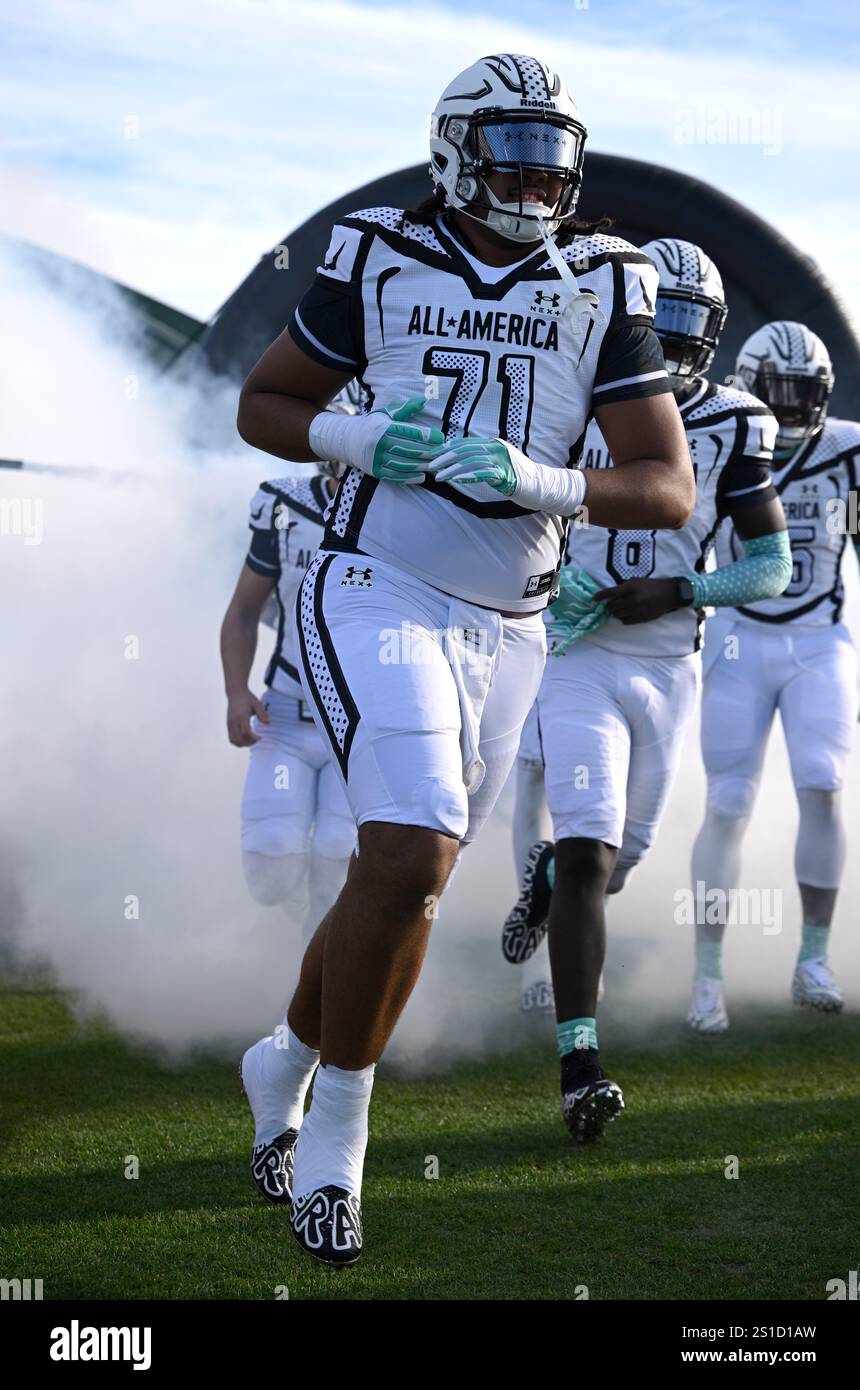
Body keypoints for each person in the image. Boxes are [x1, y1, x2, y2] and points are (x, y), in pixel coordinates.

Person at [235, 53, 695, 1266]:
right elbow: (266, 405)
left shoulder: (604, 277)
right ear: (452, 147)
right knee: (416, 835)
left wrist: (542, 479)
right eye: (516, 148)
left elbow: (662, 479)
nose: (541, 175)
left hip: (514, 618)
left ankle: (280, 1059)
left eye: (555, 150)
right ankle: (336, 1151)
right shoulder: (374, 250)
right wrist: (357, 434)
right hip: (374, 577)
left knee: (405, 880)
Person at [503, 239, 791, 1138]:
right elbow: (515, 506)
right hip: (580, 655)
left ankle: (547, 875)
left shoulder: (740, 423)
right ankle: (580, 1065)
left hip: (671, 665)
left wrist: (684, 588)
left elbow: (773, 565)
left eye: (681, 323)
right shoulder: (571, 394)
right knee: (590, 850)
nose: (663, 342)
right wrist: (555, 588)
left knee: (617, 865)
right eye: (650, 320)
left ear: (709, 333)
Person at [689, 321, 860, 1032]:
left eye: (805, 396)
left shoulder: (851, 452)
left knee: (822, 784)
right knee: (729, 803)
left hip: (820, 640)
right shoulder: (726, 435)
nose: (792, 411)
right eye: (780, 395)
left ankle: (813, 956)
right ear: (750, 387)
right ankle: (707, 973)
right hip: (737, 638)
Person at [220, 391, 357, 955]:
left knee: (337, 864)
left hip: (359, 727)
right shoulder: (284, 504)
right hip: (287, 714)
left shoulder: (406, 521)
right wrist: (235, 692)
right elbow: (244, 611)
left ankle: (309, 1004)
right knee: (271, 875)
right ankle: (299, 920)